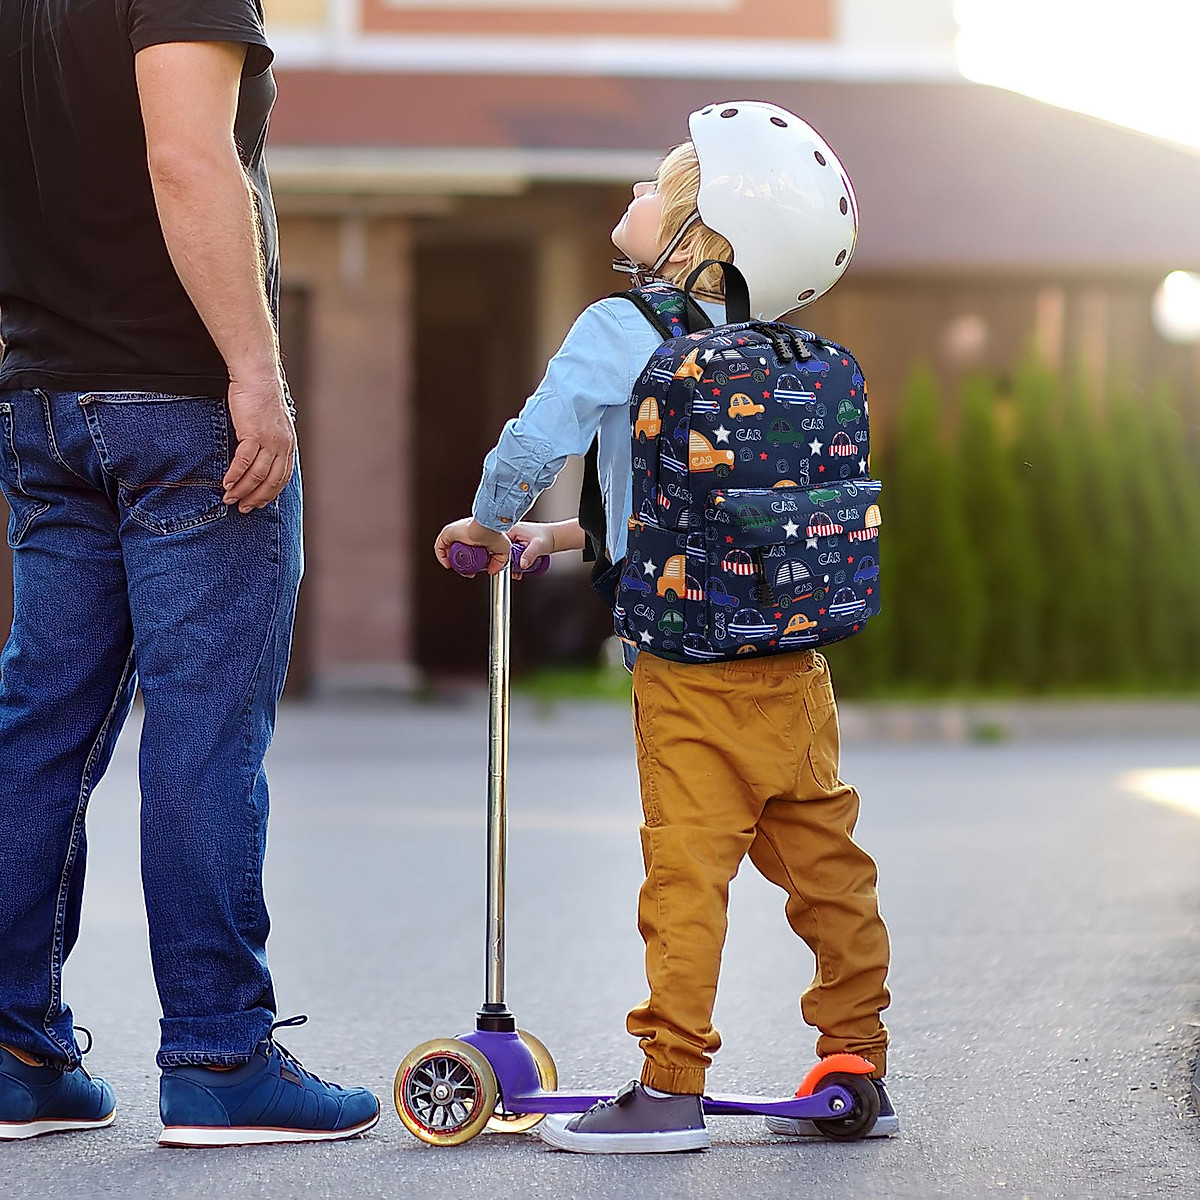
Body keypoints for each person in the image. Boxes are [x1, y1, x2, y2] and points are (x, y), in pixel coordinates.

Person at [435, 102, 895, 1154]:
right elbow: (671, 510)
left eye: (658, 187)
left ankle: (670, 1085)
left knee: (686, 875)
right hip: (792, 662)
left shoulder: (620, 329)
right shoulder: (779, 355)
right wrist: (556, 540)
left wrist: (487, 522)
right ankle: (856, 1058)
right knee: (828, 868)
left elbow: (533, 443)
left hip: (686, 670)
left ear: (699, 232)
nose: (636, 195)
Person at [0, 0, 378, 1146]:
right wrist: (256, 373)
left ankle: (16, 1053)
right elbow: (185, 156)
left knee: (40, 725)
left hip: (43, 400)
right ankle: (219, 1058)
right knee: (203, 731)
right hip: (178, 403)